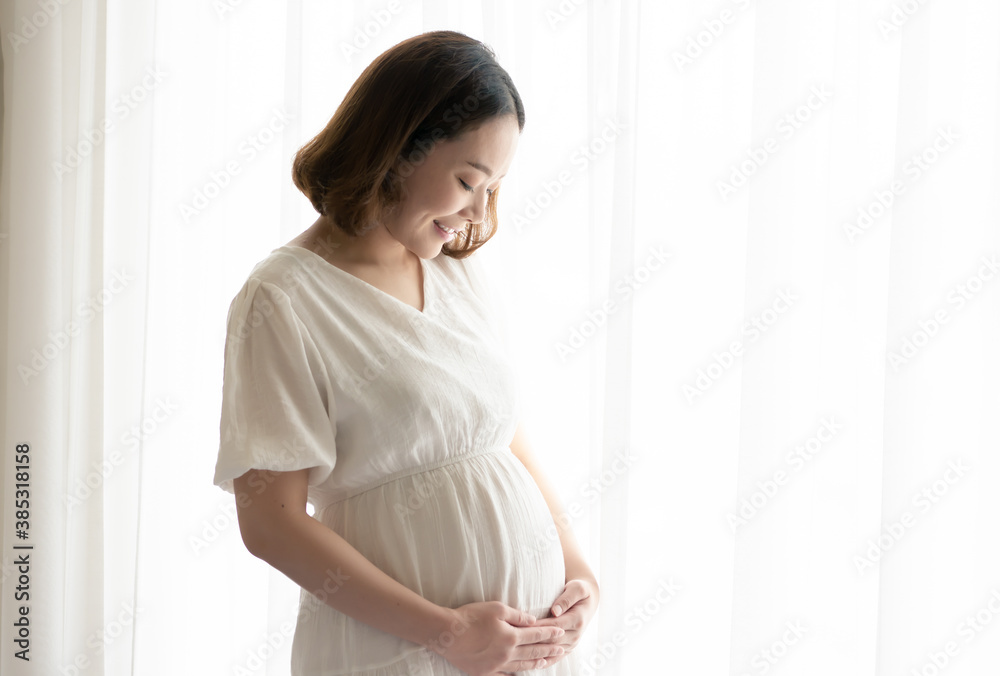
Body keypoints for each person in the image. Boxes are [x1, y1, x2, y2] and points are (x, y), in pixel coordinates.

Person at [213, 30, 598, 675]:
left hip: (525, 649)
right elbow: (268, 521)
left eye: (494, 188)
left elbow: (504, 438)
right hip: (398, 651)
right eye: (468, 180)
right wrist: (446, 633)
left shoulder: (456, 274)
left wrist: (578, 569)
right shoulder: (282, 298)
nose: (479, 212)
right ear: (397, 150)